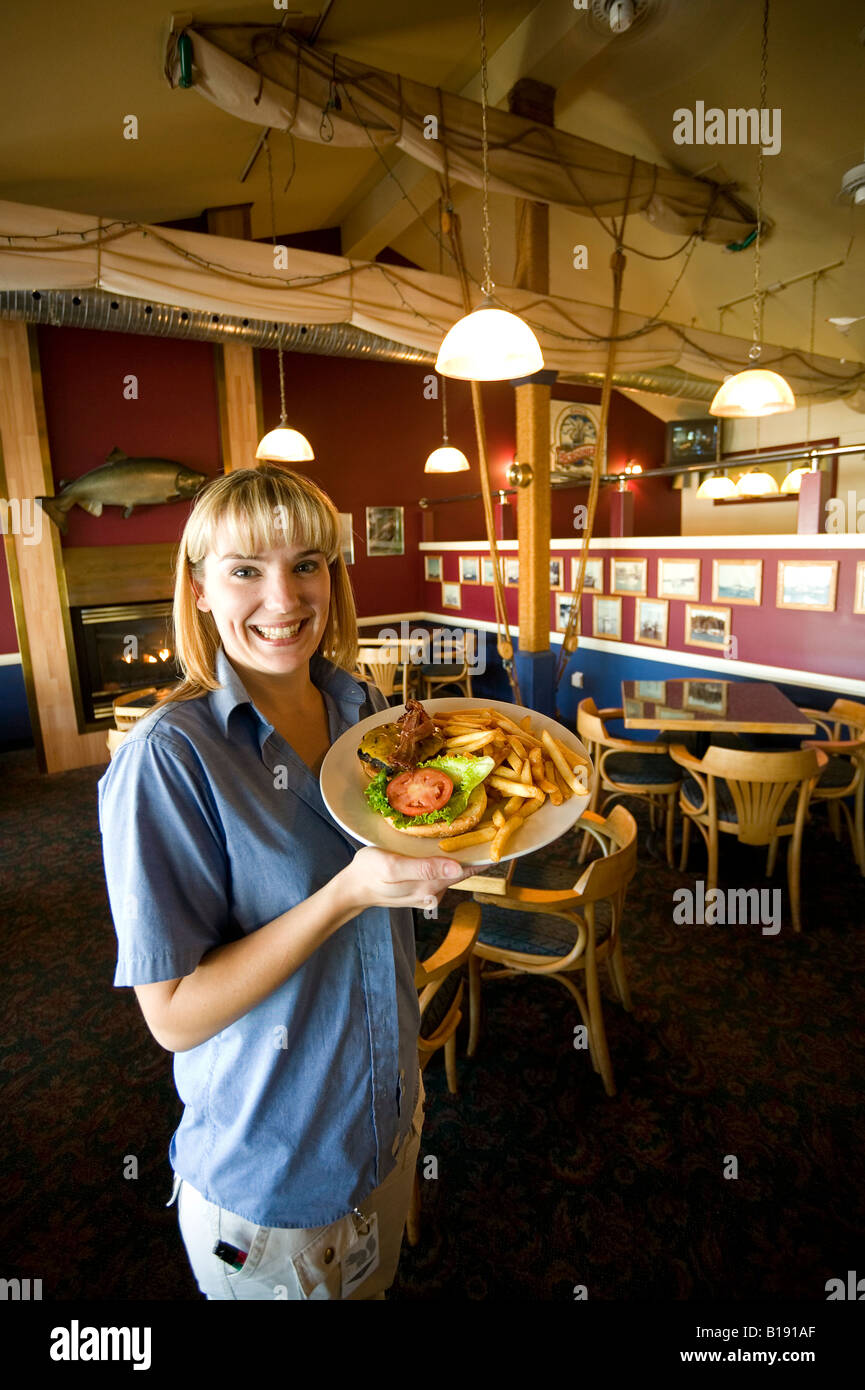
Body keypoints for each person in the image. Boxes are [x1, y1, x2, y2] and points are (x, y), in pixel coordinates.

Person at [97, 464, 468, 1300]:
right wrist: (346, 894)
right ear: (197, 587)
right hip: (272, 1176)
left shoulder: (360, 707)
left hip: (385, 1119)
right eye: (245, 570)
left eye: (307, 564)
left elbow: (397, 866)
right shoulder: (170, 757)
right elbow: (174, 1016)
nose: (284, 597)